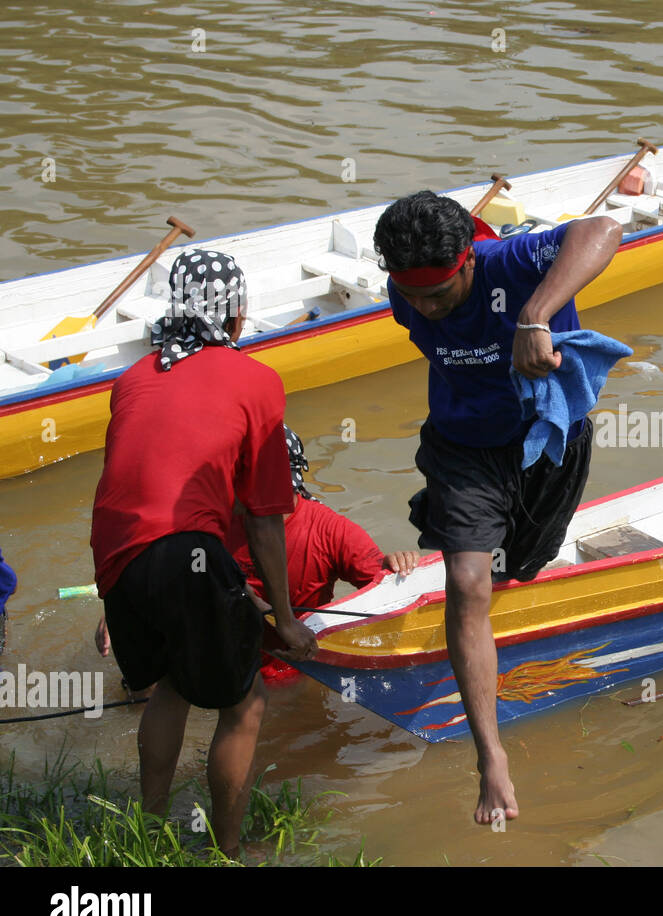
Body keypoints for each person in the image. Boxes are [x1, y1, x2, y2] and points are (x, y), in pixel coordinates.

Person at [372, 190, 620, 825]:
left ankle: (481, 621)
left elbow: (601, 227)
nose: (423, 308)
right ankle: (491, 756)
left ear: (469, 262)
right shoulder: (406, 291)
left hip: (546, 439)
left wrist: (536, 314)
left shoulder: (508, 261)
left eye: (438, 294)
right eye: (412, 296)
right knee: (466, 577)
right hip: (462, 447)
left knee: (522, 566)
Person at [90, 249, 316, 858]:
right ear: (237, 318)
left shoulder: (131, 379)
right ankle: (228, 849)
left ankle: (150, 830)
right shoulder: (256, 380)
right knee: (245, 703)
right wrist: (288, 620)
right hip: (185, 551)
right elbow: (267, 519)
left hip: (114, 561)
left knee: (171, 686)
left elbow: (127, 484)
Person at [95, 425, 421, 684]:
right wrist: (123, 610)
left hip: (301, 671)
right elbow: (157, 571)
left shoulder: (331, 530)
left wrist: (400, 566)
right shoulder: (210, 522)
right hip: (224, 662)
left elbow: (386, 600)